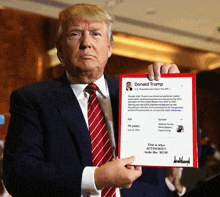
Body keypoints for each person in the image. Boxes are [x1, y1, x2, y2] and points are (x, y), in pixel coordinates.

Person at [3, 3, 181, 197]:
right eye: (75, 34)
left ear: (109, 48)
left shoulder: (137, 95)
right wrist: (95, 178)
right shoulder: (32, 99)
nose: (86, 42)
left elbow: (179, 145)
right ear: (60, 50)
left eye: (96, 34)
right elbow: (18, 175)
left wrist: (172, 90)